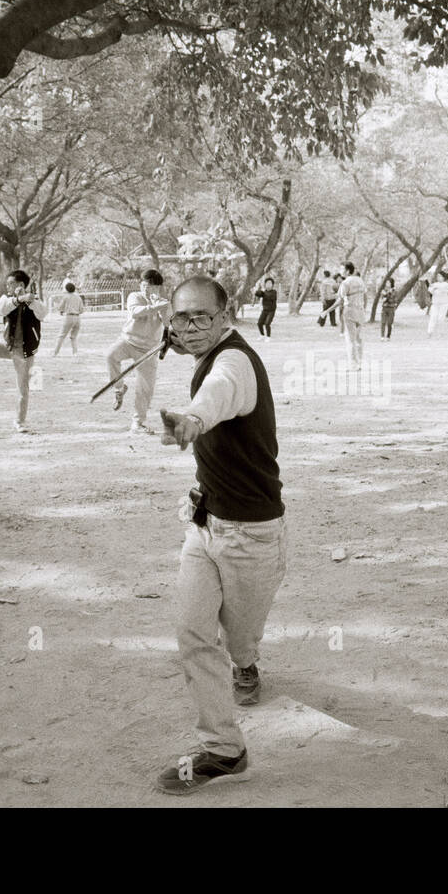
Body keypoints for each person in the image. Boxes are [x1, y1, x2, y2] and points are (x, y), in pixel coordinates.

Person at [154, 276, 286, 795]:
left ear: (225, 316)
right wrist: (199, 486)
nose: (189, 329)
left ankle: (248, 663)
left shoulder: (235, 363)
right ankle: (224, 749)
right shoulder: (204, 356)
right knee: (192, 633)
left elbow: (218, 397)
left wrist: (191, 420)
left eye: (201, 318)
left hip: (252, 535)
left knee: (239, 638)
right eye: (180, 318)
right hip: (205, 525)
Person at [0, 270, 45, 432]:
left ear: (20, 285)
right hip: (10, 346)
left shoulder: (33, 300)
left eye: (10, 283)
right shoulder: (6, 299)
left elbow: (42, 313)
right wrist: (19, 299)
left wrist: (29, 300)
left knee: (23, 388)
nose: (7, 286)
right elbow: (3, 309)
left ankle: (20, 422)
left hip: (24, 352)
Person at [106, 269, 170, 433]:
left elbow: (168, 323)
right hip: (128, 341)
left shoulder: (164, 302)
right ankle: (119, 388)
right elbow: (135, 313)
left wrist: (163, 307)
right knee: (111, 356)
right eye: (143, 285)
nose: (146, 289)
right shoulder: (134, 296)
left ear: (158, 288)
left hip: (149, 350)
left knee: (145, 388)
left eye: (150, 287)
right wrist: (154, 306)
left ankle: (138, 423)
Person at [336, 261, 367, 369]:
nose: (340, 271)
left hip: (350, 311)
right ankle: (360, 362)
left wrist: (326, 311)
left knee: (350, 339)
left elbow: (340, 299)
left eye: (342, 269)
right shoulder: (360, 281)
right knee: (358, 338)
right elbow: (364, 296)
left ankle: (353, 364)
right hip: (360, 311)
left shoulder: (345, 283)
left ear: (347, 271)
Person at [54, 281, 85, 356]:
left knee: (61, 335)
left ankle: (55, 353)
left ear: (67, 289)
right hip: (77, 318)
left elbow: (60, 307)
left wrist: (59, 309)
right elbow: (81, 310)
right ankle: (75, 353)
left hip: (69, 317)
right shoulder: (78, 297)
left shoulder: (66, 297)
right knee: (73, 337)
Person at [427, 271, 448, 336]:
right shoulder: (435, 284)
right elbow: (430, 290)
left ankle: (440, 333)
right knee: (433, 317)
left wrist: (434, 287)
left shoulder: (446, 284)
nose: (438, 278)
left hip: (444, 304)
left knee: (440, 318)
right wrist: (433, 287)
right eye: (438, 276)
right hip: (435, 304)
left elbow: (441, 287)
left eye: (440, 276)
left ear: (443, 277)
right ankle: (430, 332)